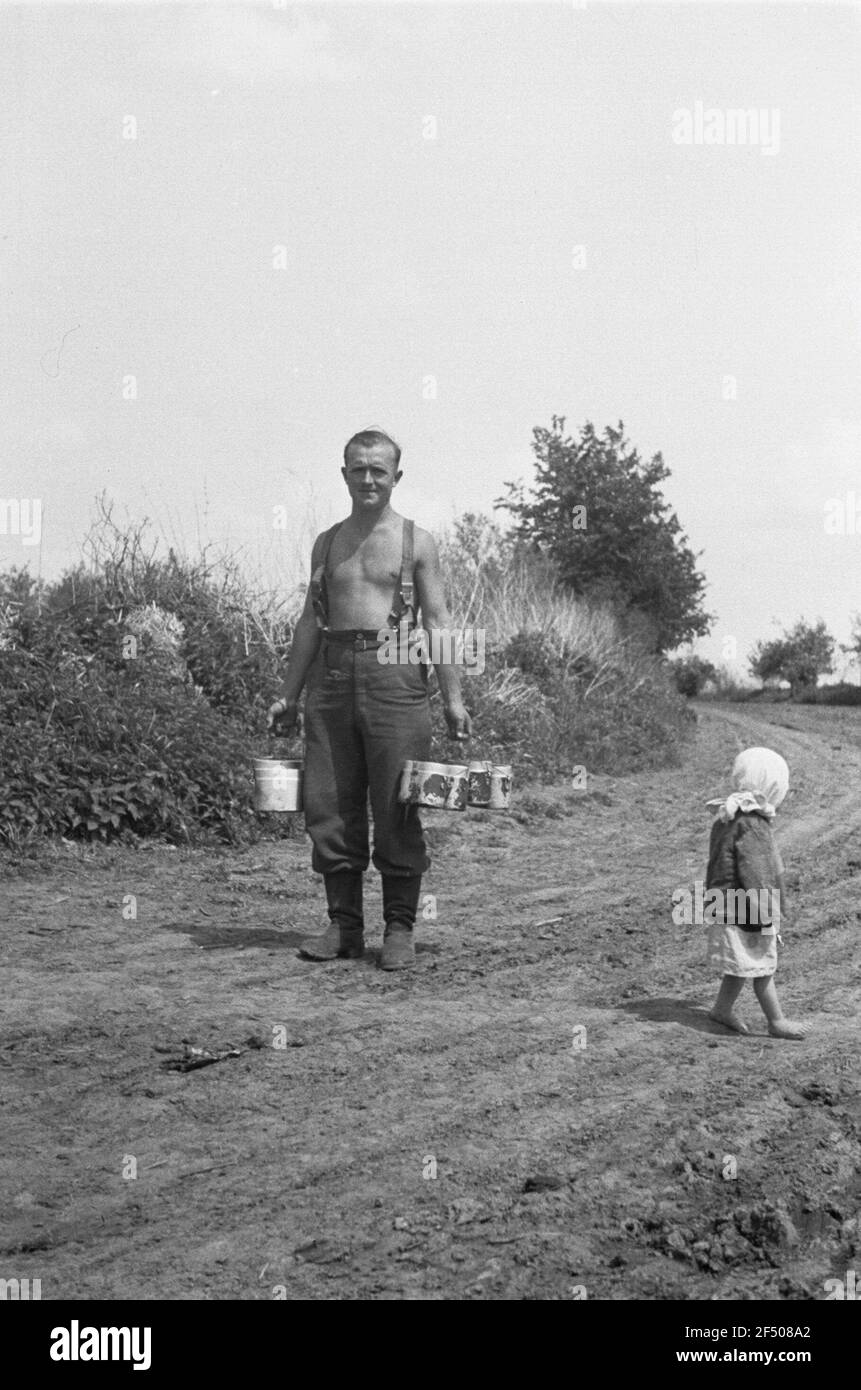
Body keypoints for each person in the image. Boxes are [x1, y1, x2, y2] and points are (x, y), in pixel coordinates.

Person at [267, 429, 471, 969]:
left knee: (398, 803)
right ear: (344, 475)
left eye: (379, 470)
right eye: (358, 469)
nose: (368, 479)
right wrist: (288, 694)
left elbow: (438, 622)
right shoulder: (326, 542)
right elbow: (310, 621)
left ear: (396, 477)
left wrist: (453, 698)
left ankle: (399, 930)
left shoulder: (416, 542)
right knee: (328, 803)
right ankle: (344, 928)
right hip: (331, 679)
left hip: (396, 674)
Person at [704, 746, 807, 1039]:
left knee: (740, 964)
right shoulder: (753, 824)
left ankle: (721, 1010)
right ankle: (777, 1021)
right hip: (746, 907)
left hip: (725, 904)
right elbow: (757, 872)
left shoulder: (728, 818)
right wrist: (769, 913)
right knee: (764, 966)